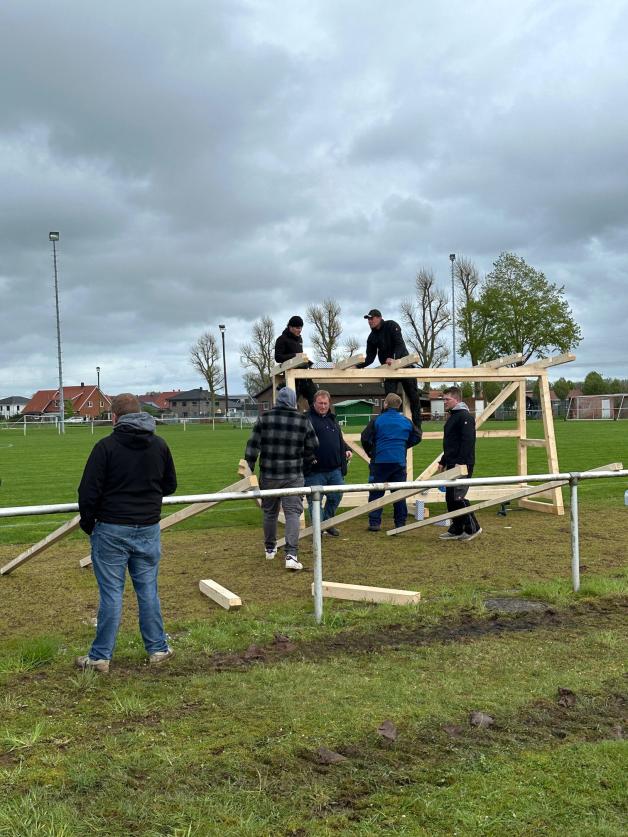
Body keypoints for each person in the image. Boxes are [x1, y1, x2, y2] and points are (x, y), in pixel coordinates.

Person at [76, 394, 177, 673]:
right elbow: (170, 485)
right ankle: (157, 648)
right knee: (148, 591)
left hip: (111, 529)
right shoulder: (159, 445)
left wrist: (89, 524)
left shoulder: (105, 447)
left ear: (114, 417)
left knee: (111, 594)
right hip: (147, 528)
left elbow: (87, 492)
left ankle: (99, 657)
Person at [245, 387, 318, 571]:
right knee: (293, 513)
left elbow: (253, 445)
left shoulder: (265, 418)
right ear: (293, 401)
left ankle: (270, 548)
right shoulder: (302, 420)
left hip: (269, 474)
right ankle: (291, 554)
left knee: (269, 512)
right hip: (293, 474)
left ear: (277, 400)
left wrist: (250, 465)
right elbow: (313, 445)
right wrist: (306, 460)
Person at [360, 392, 421, 531]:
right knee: (399, 494)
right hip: (399, 461)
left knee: (376, 493)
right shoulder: (406, 421)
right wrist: (404, 445)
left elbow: (365, 438)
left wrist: (371, 452)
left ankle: (375, 523)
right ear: (399, 406)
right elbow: (417, 436)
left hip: (380, 461)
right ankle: (400, 522)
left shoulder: (378, 420)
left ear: (385, 404)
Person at [356, 309, 423, 429]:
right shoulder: (372, 337)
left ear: (379, 318)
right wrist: (357, 366)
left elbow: (400, 344)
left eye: (372, 318)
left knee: (413, 396)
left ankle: (417, 427)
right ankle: (390, 427)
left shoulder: (391, 325)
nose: (370, 321)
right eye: (368, 319)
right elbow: (370, 358)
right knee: (390, 400)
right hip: (389, 370)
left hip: (404, 366)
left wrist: (394, 358)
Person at [304, 389, 352, 536]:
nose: (323, 406)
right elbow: (301, 442)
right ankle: (318, 531)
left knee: (336, 496)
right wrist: (310, 458)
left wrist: (347, 449)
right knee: (315, 502)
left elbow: (338, 439)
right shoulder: (306, 419)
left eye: (325, 403)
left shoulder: (332, 419)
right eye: (320, 403)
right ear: (314, 403)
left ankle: (327, 523)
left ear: (329, 403)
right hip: (314, 471)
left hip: (335, 470)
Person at [437, 386, 482, 541]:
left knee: (458, 497)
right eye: (443, 399)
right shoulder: (453, 417)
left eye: (447, 399)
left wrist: (461, 463)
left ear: (457, 399)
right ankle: (456, 528)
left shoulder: (465, 417)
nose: (444, 402)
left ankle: (473, 528)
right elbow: (451, 443)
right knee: (450, 497)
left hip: (463, 464)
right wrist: (443, 461)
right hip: (452, 463)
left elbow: (467, 441)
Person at [274, 315, 317, 406]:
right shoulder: (281, 339)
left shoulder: (299, 339)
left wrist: (311, 364)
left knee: (315, 399)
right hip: (292, 376)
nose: (300, 330)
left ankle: (315, 419)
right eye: (297, 328)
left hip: (304, 376)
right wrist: (294, 356)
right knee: (291, 403)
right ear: (290, 327)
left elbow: (300, 357)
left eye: (301, 328)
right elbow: (278, 357)